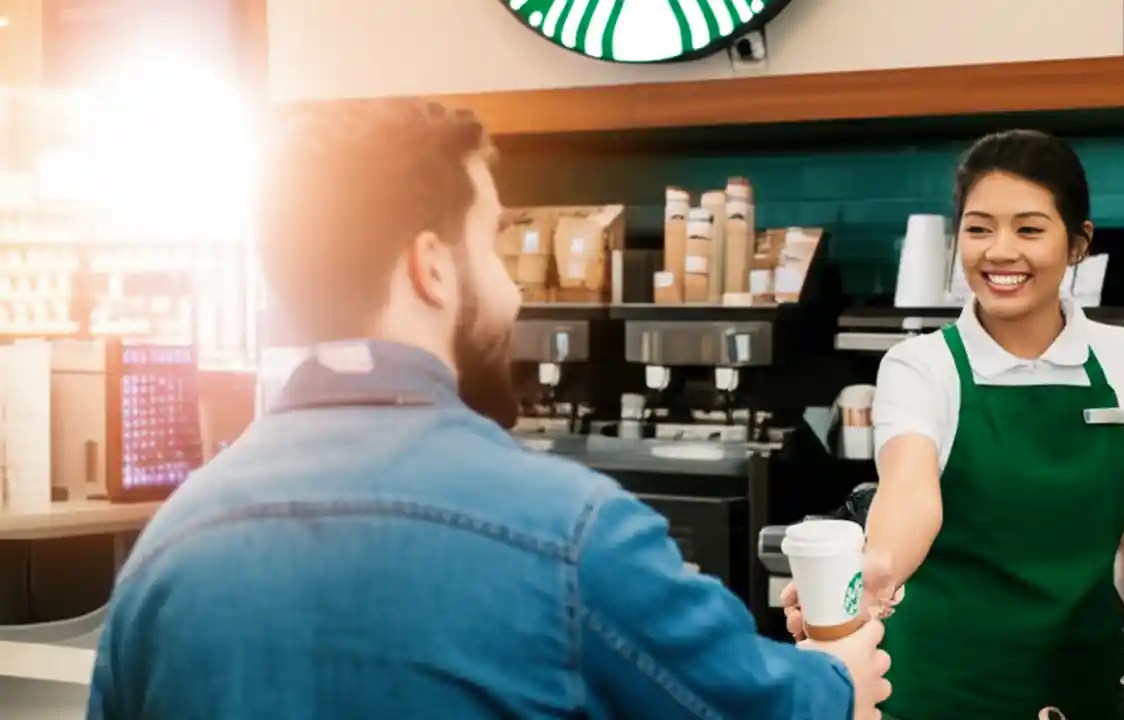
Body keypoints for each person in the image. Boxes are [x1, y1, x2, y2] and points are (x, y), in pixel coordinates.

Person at [87, 98, 890, 720]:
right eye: (495, 245)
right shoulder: (572, 535)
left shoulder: (169, 547)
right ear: (431, 268)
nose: (511, 291)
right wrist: (841, 669)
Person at [784, 129, 1124, 719]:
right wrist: (876, 571)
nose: (999, 251)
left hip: (1081, 685)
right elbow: (911, 493)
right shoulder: (922, 365)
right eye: (978, 227)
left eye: (1029, 228)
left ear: (1077, 243)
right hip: (939, 689)